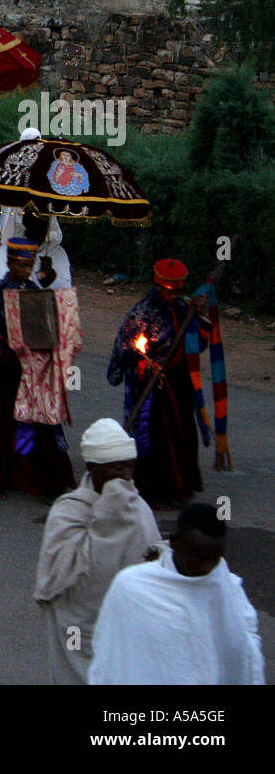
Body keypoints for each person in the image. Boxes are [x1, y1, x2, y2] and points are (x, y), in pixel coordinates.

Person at [34, 418, 161, 684]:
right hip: (77, 627)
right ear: (93, 468)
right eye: (117, 468)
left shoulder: (137, 507)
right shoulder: (68, 511)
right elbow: (59, 574)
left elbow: (153, 561)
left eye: (130, 467)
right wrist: (109, 518)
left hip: (125, 628)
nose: (126, 476)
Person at [89, 503, 264, 685]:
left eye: (215, 558)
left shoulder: (229, 588)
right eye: (198, 558)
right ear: (174, 542)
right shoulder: (131, 586)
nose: (206, 568)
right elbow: (110, 653)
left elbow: (246, 643)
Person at [0, 237, 77, 499]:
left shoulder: (35, 290)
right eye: (21, 264)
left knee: (37, 422)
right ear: (11, 262)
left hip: (32, 369)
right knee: (0, 423)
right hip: (3, 370)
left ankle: (37, 476)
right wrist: (5, 347)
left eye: (30, 265)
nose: (26, 270)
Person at [106, 258, 209, 506]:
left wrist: (201, 314)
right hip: (150, 386)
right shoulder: (142, 313)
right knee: (153, 436)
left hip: (178, 382)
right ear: (157, 285)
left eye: (176, 291)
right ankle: (153, 490)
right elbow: (127, 348)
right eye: (166, 290)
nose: (171, 295)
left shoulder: (184, 309)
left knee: (182, 431)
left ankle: (180, 486)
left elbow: (198, 344)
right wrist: (145, 364)